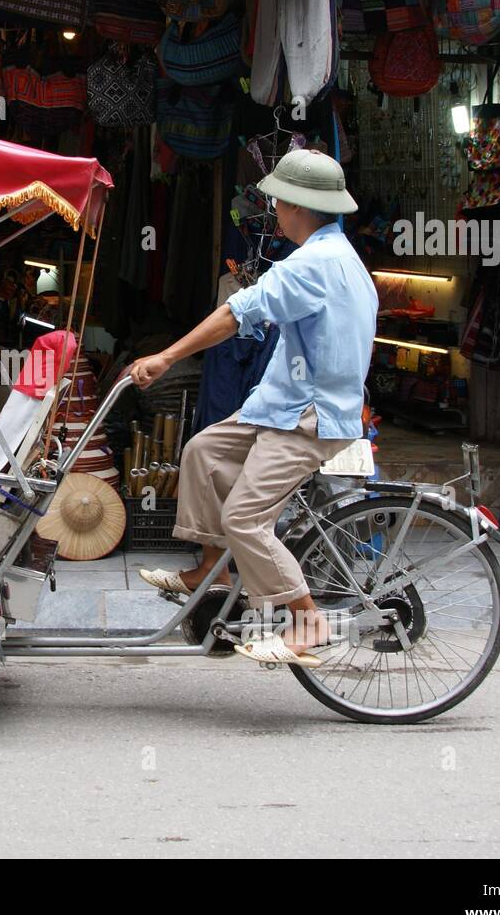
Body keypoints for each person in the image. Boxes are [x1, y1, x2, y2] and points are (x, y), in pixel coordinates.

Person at [131, 148, 377, 666]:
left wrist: (166, 357)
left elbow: (236, 312)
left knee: (245, 517)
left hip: (310, 416)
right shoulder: (338, 254)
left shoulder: (313, 264)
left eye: (277, 203)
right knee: (202, 450)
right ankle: (213, 569)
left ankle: (306, 619)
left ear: (294, 206)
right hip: (281, 403)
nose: (274, 213)